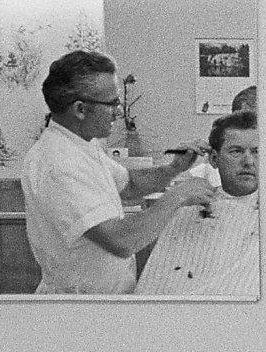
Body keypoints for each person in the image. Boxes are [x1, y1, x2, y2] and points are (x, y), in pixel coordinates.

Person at [19, 50, 214, 294]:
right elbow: (121, 241)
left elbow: (129, 185)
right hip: (82, 308)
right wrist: (177, 196)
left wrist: (174, 169)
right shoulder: (58, 164)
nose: (118, 111)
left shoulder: (81, 145)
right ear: (80, 109)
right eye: (112, 103)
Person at [136, 112, 260, 297]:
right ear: (214, 159)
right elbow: (157, 286)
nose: (248, 161)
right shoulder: (188, 209)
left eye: (257, 151)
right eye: (236, 151)